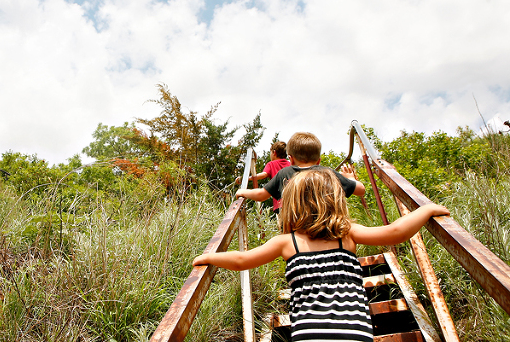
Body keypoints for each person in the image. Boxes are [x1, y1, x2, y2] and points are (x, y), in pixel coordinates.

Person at [193, 168, 450, 342]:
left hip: (308, 333)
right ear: (335, 201)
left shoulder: (285, 243)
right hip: (356, 331)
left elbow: (241, 260)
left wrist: (209, 257)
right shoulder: (347, 234)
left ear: (291, 206)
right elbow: (395, 232)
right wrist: (425, 210)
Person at [236, 132, 365, 205]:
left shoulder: (284, 173)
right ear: (319, 161)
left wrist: (242, 192)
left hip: (293, 230)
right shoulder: (328, 173)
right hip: (324, 227)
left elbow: (261, 195)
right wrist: (351, 178)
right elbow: (360, 190)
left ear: (291, 159)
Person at [252, 141, 291, 214]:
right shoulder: (290, 164)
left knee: (283, 223)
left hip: (280, 202)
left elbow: (263, 175)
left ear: (274, 152)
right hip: (293, 201)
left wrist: (249, 178)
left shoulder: (271, 164)